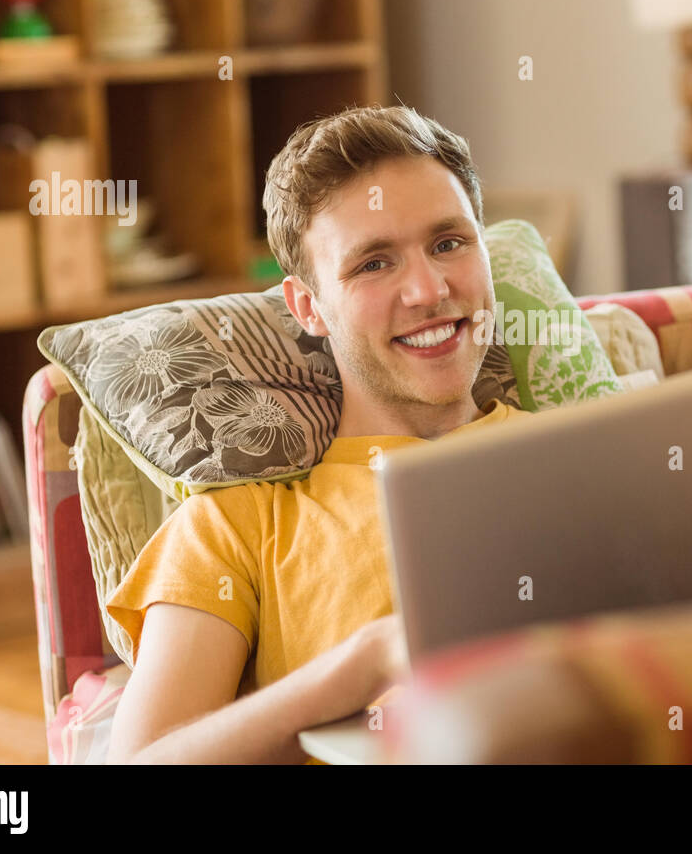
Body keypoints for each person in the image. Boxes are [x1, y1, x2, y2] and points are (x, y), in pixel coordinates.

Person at [106, 105, 535, 764]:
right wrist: (363, 664)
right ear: (307, 307)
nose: (428, 290)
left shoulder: (582, 457)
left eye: (448, 243)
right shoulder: (238, 520)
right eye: (374, 264)